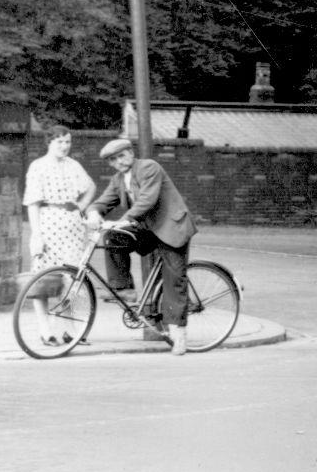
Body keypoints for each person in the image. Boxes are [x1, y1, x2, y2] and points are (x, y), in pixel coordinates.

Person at [93, 135, 199, 354]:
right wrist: (93, 213)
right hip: (150, 230)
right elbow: (103, 202)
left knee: (173, 280)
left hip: (171, 227)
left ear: (131, 153)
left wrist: (122, 220)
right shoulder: (118, 180)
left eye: (122, 156)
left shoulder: (149, 167)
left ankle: (179, 335)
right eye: (113, 160)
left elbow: (147, 200)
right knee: (114, 237)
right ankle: (124, 289)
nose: (119, 162)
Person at [21, 131, 98, 273]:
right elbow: (33, 204)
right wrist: (36, 234)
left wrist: (81, 205)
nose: (64, 146)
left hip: (73, 226)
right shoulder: (38, 166)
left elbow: (91, 187)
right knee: (45, 270)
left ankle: (71, 295)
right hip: (49, 224)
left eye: (67, 142)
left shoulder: (73, 164)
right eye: (60, 142)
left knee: (73, 268)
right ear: (49, 143)